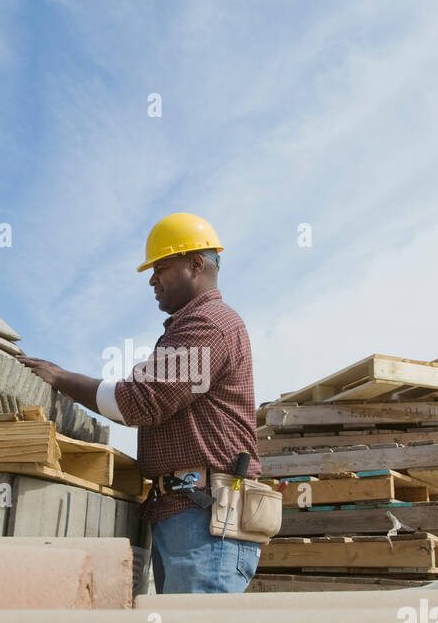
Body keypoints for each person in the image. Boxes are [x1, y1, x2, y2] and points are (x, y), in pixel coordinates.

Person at [17, 213, 262, 593]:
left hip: (204, 521)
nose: (152, 280)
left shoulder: (208, 324)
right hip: (187, 514)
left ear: (196, 264)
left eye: (161, 267)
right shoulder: (195, 324)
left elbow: (139, 403)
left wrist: (61, 377)